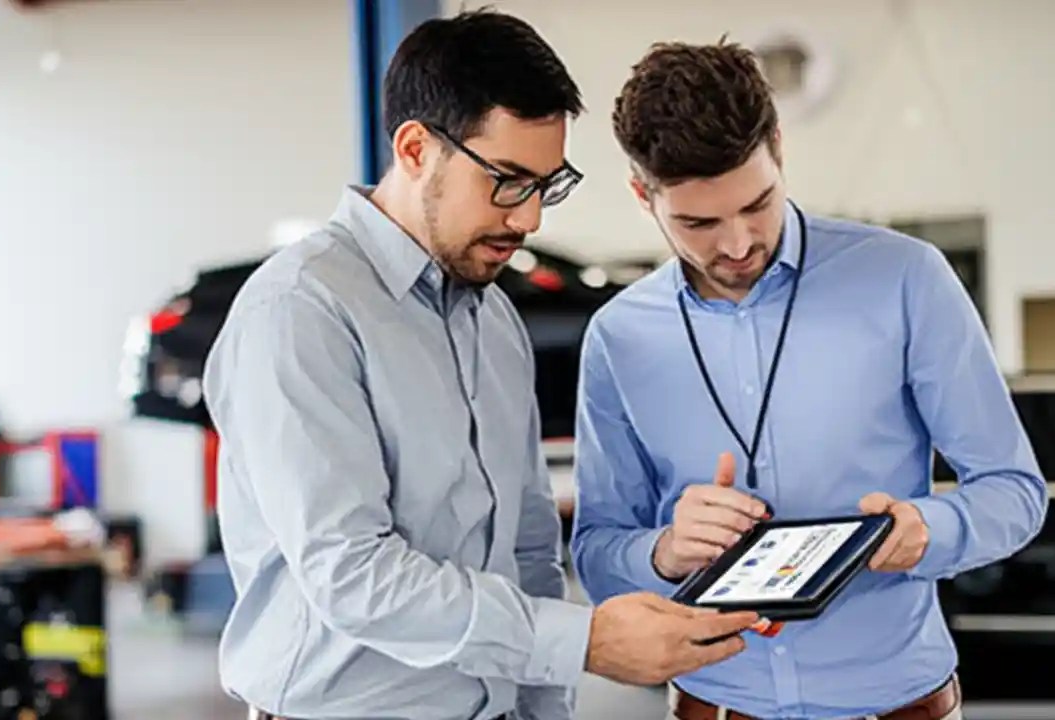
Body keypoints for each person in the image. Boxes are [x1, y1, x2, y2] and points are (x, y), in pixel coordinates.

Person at [203, 11, 758, 720]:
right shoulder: (300, 311)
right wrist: (584, 641)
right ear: (414, 149)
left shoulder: (492, 319)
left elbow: (527, 549)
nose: (529, 221)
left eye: (545, 186)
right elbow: (352, 574)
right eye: (508, 181)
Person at [570, 39, 1048, 720]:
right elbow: (596, 550)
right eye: (699, 223)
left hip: (898, 704)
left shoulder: (906, 280)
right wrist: (667, 550)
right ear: (641, 195)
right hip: (714, 707)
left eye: (757, 204)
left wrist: (927, 530)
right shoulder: (619, 337)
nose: (736, 244)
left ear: (780, 147)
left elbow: (1014, 492)